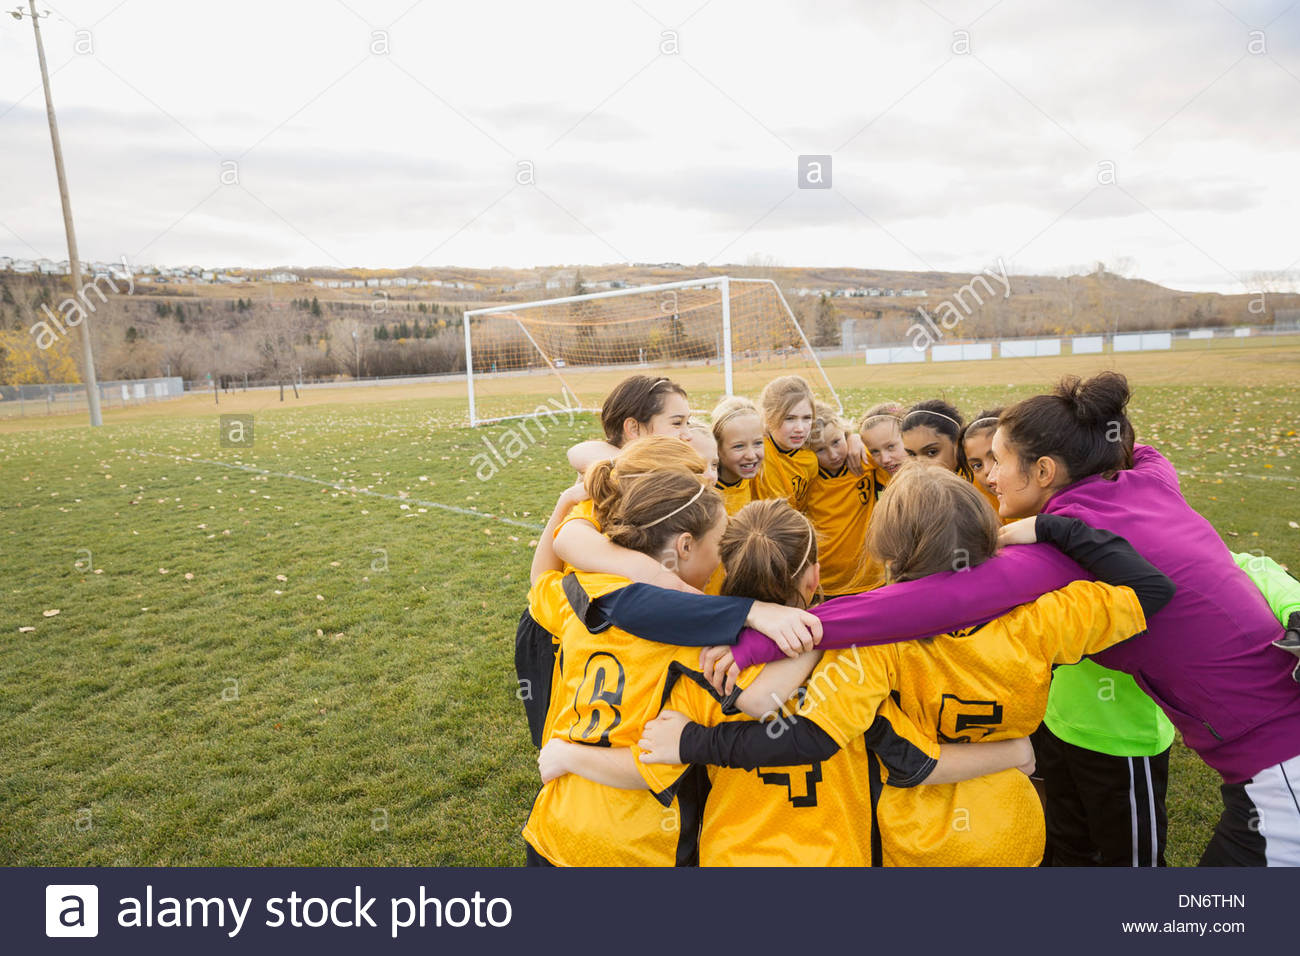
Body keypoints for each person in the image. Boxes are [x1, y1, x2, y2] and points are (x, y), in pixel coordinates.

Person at [638, 465, 1175, 866]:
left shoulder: (874, 642)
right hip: (1006, 823)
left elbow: (810, 737)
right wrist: (1058, 530)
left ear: (892, 553)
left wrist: (696, 743)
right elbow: (1151, 587)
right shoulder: (1042, 619)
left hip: (919, 838)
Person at [547, 497, 1037, 865]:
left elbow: (657, 760)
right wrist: (1017, 753)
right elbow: (910, 758)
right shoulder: (859, 657)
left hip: (731, 856)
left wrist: (578, 507)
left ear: (725, 573)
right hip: (835, 855)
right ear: (813, 576)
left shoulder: (700, 662)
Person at [803, 402, 887, 596]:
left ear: (844, 433)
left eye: (836, 442)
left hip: (870, 578)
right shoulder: (806, 476)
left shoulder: (864, 460)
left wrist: (857, 438)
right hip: (824, 583)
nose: (833, 455)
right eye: (820, 450)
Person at [566, 375, 692, 475]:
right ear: (633, 428)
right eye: (677, 423)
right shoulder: (608, 477)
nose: (689, 435)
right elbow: (579, 452)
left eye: (688, 422)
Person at [753, 375, 818, 508]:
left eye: (807, 418)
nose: (800, 428)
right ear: (768, 416)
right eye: (789, 418)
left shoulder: (810, 460)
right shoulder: (755, 451)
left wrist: (852, 438)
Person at [710, 395, 765, 516]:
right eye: (739, 446)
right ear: (717, 448)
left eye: (758, 443)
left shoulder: (756, 478)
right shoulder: (709, 493)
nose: (751, 455)